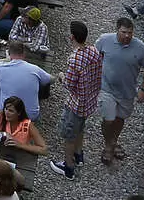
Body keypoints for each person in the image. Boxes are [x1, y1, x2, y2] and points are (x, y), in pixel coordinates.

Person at [47, 19, 101, 179]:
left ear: (72, 37)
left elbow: (69, 85)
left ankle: (68, 167)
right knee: (80, 129)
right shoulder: (94, 51)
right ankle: (79, 155)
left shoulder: (75, 59)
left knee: (69, 134)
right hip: (90, 100)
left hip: (76, 104)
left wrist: (62, 76)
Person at [96, 16, 144, 166]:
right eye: (124, 32)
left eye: (130, 32)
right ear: (117, 30)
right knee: (108, 119)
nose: (127, 35)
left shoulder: (140, 47)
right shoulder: (104, 40)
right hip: (106, 89)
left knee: (120, 119)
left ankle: (114, 140)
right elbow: (95, 57)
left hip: (127, 92)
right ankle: (109, 145)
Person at [0, 39, 51, 118]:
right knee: (38, 80)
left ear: (9, 54)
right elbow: (49, 79)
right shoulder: (35, 69)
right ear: (24, 54)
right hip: (31, 115)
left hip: (6, 111)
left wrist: (8, 59)